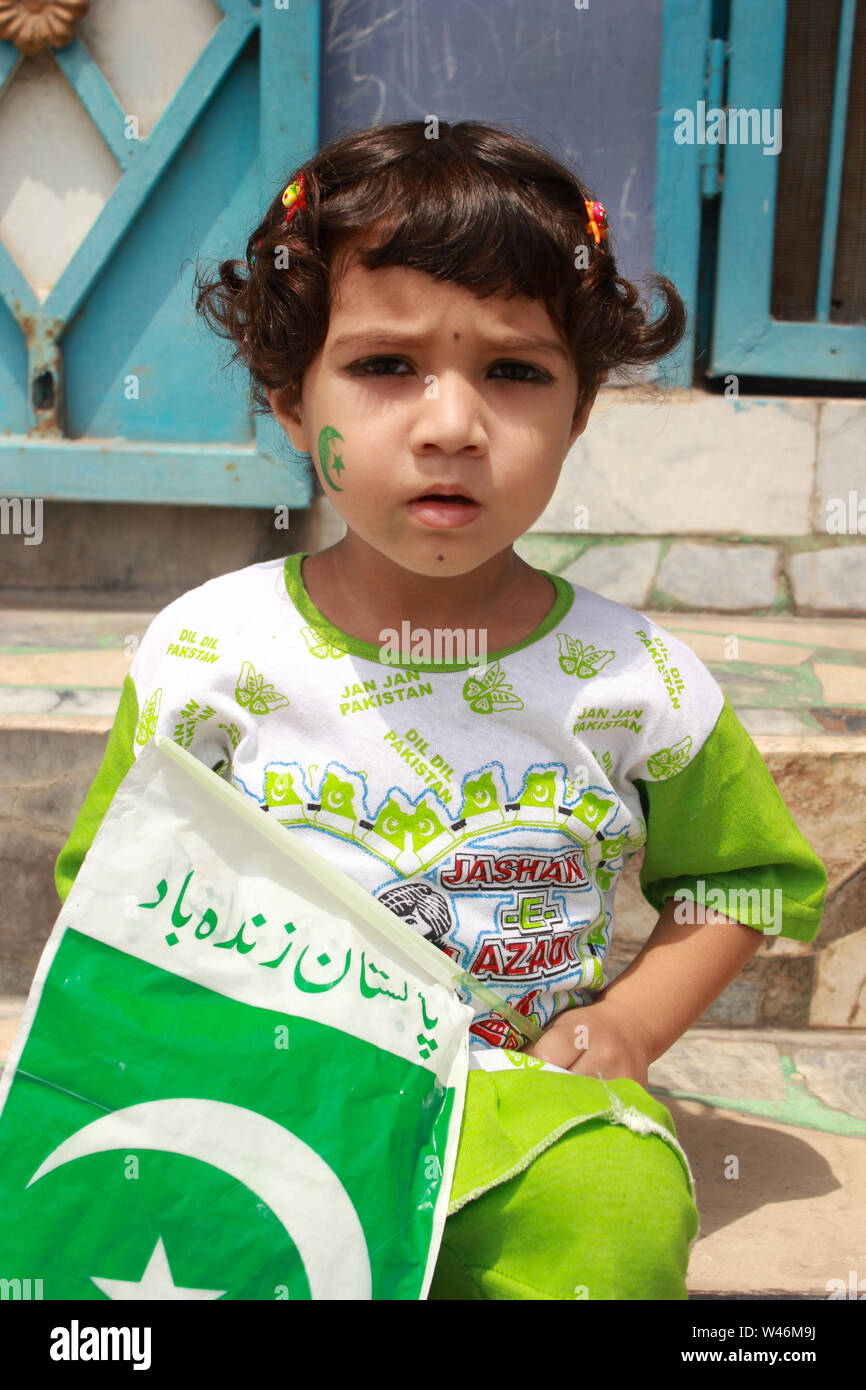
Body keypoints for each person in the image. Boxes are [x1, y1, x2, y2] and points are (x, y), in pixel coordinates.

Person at [55, 119, 827, 1300]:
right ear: (286, 400)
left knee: (616, 1205)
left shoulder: (637, 681)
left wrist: (627, 1029)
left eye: (514, 372)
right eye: (383, 367)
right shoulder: (209, 654)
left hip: (514, 1097)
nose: (451, 423)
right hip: (259, 1084)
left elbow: (745, 884)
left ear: (577, 413)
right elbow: (112, 884)